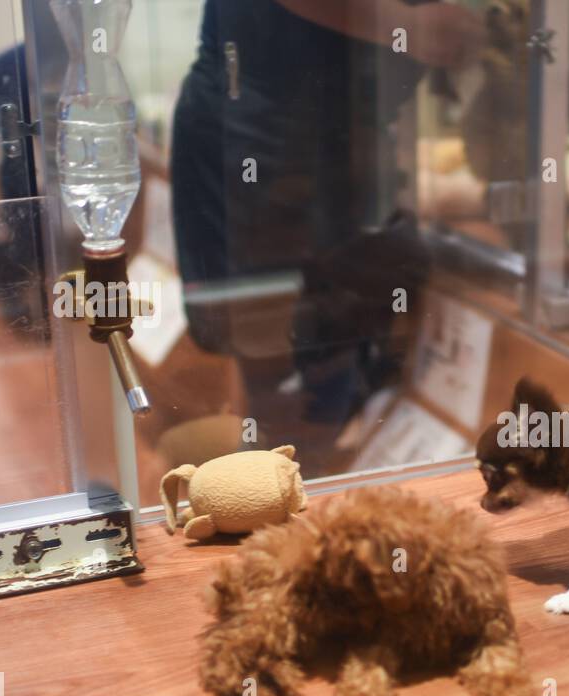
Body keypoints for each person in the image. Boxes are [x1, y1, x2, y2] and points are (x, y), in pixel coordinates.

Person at [169, 0, 483, 464]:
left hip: (334, 130)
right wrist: (408, 24)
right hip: (264, 132)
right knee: (276, 367)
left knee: (321, 361)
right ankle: (270, 491)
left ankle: (295, 467)